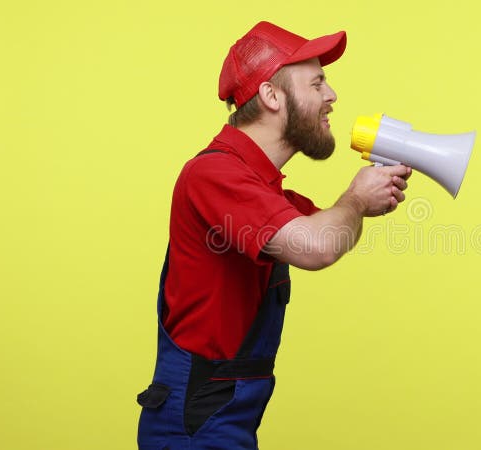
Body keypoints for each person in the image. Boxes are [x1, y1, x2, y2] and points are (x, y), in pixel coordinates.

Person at [136, 21, 411, 450]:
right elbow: (317, 246)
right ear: (271, 95)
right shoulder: (214, 174)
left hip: (224, 414)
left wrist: (365, 201)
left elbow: (329, 234)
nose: (332, 96)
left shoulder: (264, 190)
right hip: (197, 419)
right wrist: (356, 201)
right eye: (317, 82)